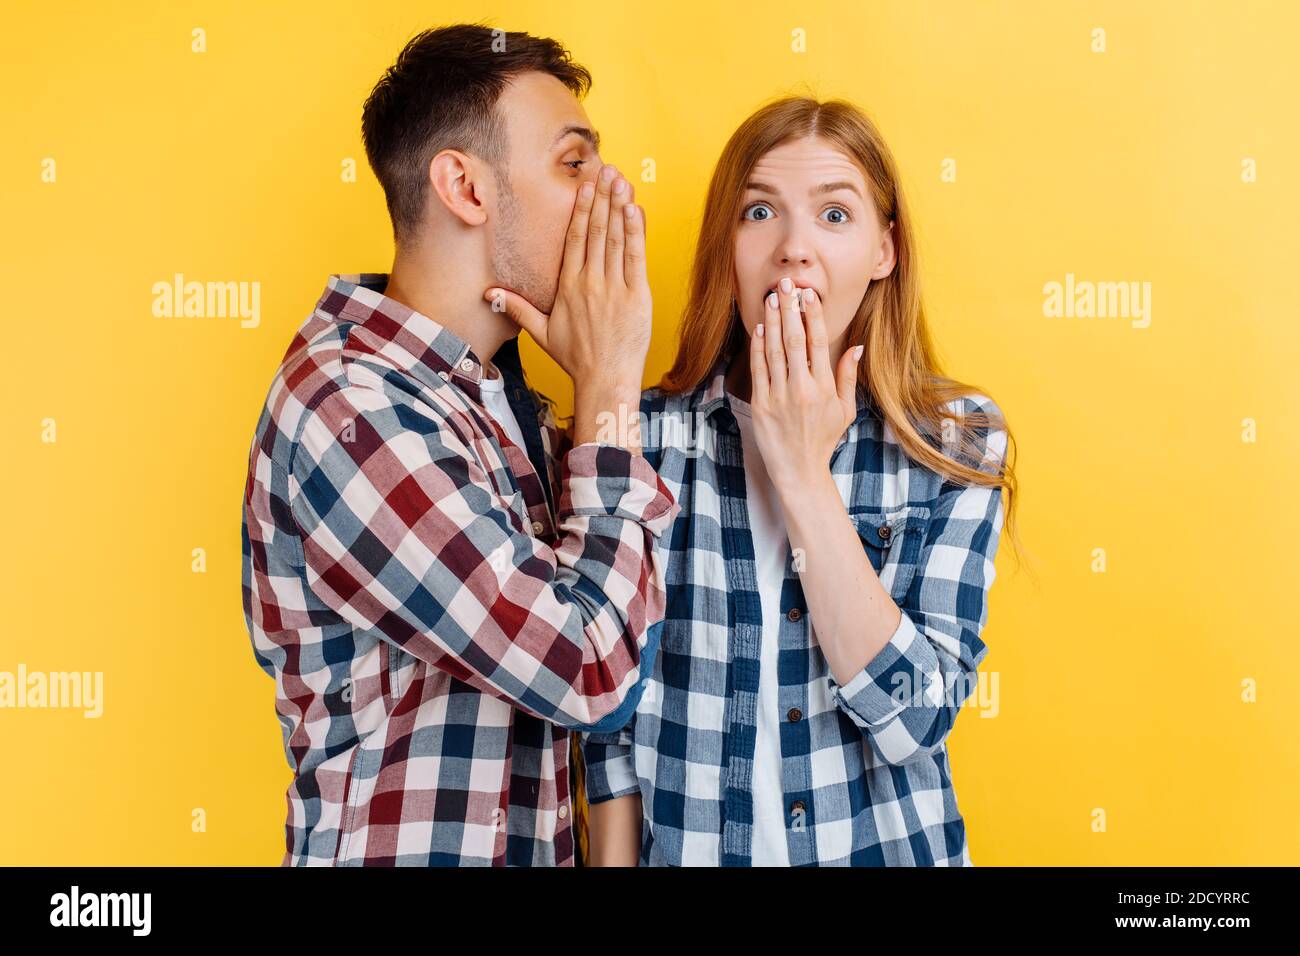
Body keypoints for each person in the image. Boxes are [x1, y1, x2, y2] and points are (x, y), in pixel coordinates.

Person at [240, 23, 677, 866]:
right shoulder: (346, 409)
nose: (609, 192)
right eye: (574, 162)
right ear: (465, 188)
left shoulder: (502, 402)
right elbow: (590, 670)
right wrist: (613, 382)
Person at [581, 96, 1020, 866]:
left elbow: (914, 718)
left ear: (886, 251)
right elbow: (607, 709)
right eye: (759, 212)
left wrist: (802, 470)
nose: (794, 248)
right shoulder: (641, 435)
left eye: (835, 216)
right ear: (727, 249)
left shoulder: (956, 441)